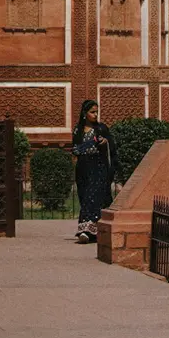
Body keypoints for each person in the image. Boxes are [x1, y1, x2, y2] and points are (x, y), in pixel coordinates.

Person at [69, 100, 114, 244]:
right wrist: (84, 148)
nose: (95, 115)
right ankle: (95, 232)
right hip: (83, 167)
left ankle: (85, 230)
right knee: (85, 197)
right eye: (92, 112)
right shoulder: (78, 130)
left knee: (92, 197)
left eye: (96, 112)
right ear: (84, 113)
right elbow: (75, 149)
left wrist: (105, 142)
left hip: (98, 166)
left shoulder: (101, 129)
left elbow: (111, 146)